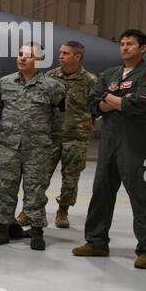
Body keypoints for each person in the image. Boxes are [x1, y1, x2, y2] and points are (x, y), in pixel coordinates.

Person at [73, 29, 146, 269]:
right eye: (122, 43)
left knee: (143, 196)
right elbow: (93, 105)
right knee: (101, 191)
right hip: (109, 143)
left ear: (143, 48)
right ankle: (96, 241)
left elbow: (137, 106)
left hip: (137, 147)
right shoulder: (109, 74)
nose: (125, 47)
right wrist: (117, 101)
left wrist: (110, 99)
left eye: (130, 44)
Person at [0, 44, 64, 250]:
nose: (22, 58)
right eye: (20, 55)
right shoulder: (4, 83)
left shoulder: (52, 87)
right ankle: (2, 229)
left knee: (36, 190)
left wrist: (41, 135)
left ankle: (37, 231)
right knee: (5, 187)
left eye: (28, 56)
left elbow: (58, 119)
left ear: (39, 60)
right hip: (8, 146)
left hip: (38, 148)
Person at [44, 40, 97, 229]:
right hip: (51, 136)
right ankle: (32, 210)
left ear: (78, 57)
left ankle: (63, 211)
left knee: (71, 178)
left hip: (76, 137)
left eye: (66, 53)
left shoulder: (90, 80)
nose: (61, 56)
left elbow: (97, 107)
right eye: (61, 52)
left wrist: (87, 124)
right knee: (40, 175)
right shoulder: (50, 77)